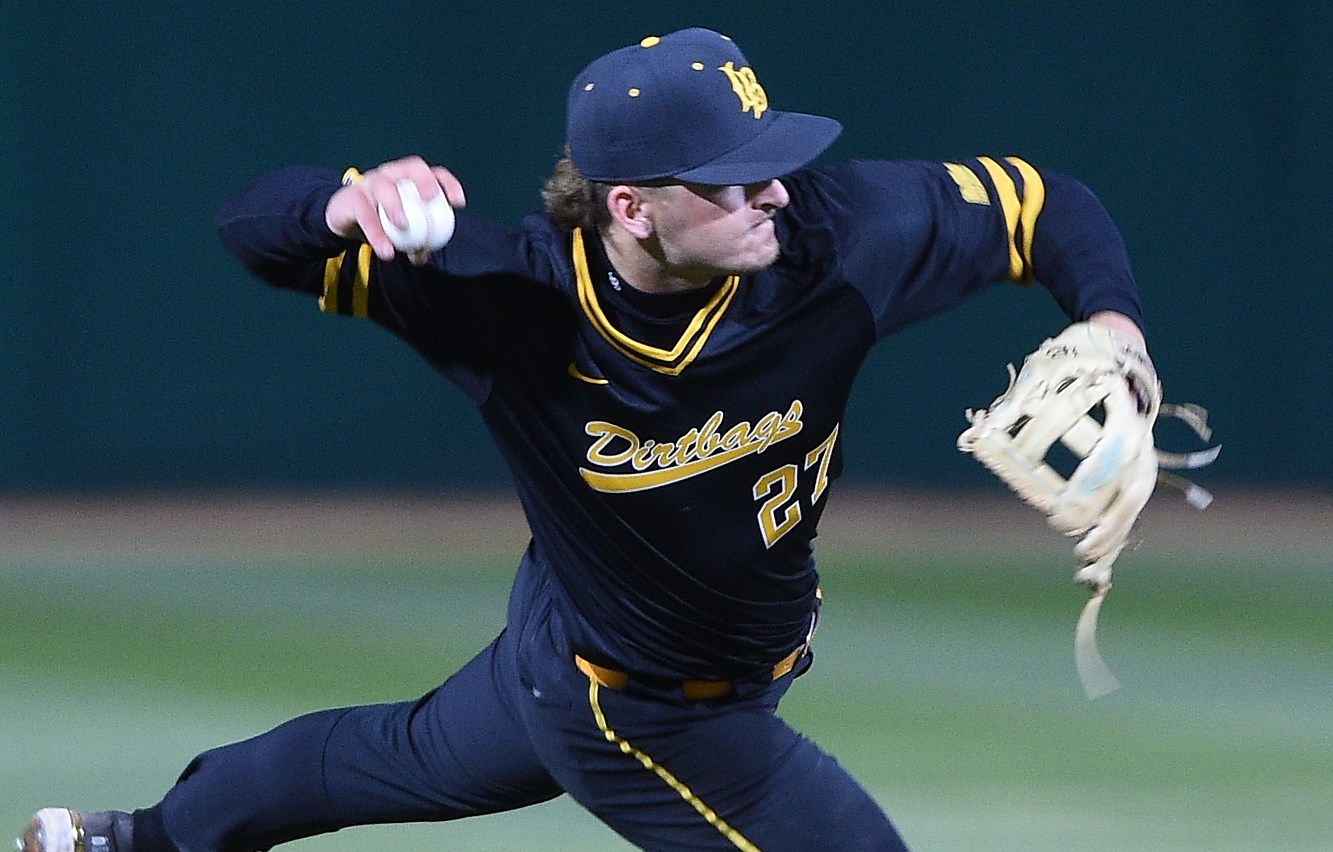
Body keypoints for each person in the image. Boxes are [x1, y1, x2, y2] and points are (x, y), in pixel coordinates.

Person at [19, 26, 1152, 852]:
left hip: (569, 636)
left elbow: (1044, 205)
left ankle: (135, 841)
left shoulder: (840, 235)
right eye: (728, 178)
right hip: (642, 700)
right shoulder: (503, 299)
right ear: (628, 206)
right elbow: (248, 225)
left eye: (769, 157)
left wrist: (1108, 318)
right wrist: (340, 207)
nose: (770, 191)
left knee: (391, 757)